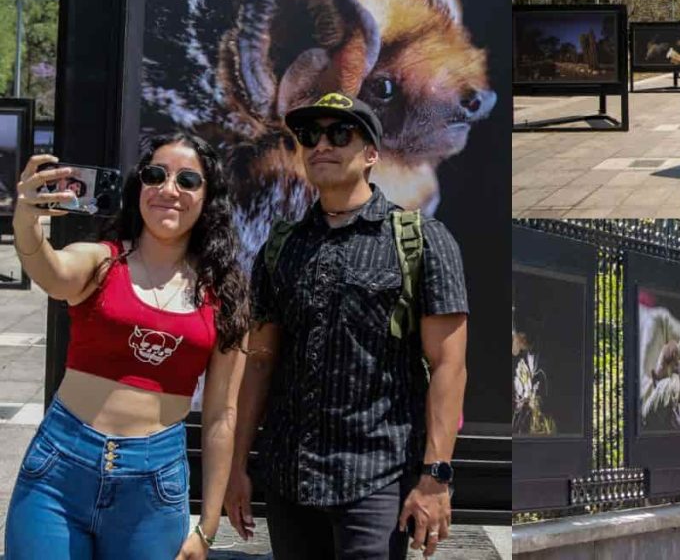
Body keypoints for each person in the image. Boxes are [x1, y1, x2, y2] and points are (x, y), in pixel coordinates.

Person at [223, 92, 469, 559]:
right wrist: (236, 466)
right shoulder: (282, 247)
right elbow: (258, 363)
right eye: (309, 135)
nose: (321, 145)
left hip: (376, 478)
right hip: (288, 477)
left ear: (372, 153)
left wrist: (436, 478)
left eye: (340, 133)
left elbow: (449, 365)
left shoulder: (422, 241)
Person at [5, 133, 248, 559]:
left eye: (188, 180)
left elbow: (220, 416)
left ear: (208, 197)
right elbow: (52, 271)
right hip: (59, 470)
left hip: (154, 487)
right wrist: (26, 222)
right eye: (156, 175)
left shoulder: (224, 294)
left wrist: (207, 529)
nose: (169, 189)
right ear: (139, 187)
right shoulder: (101, 262)